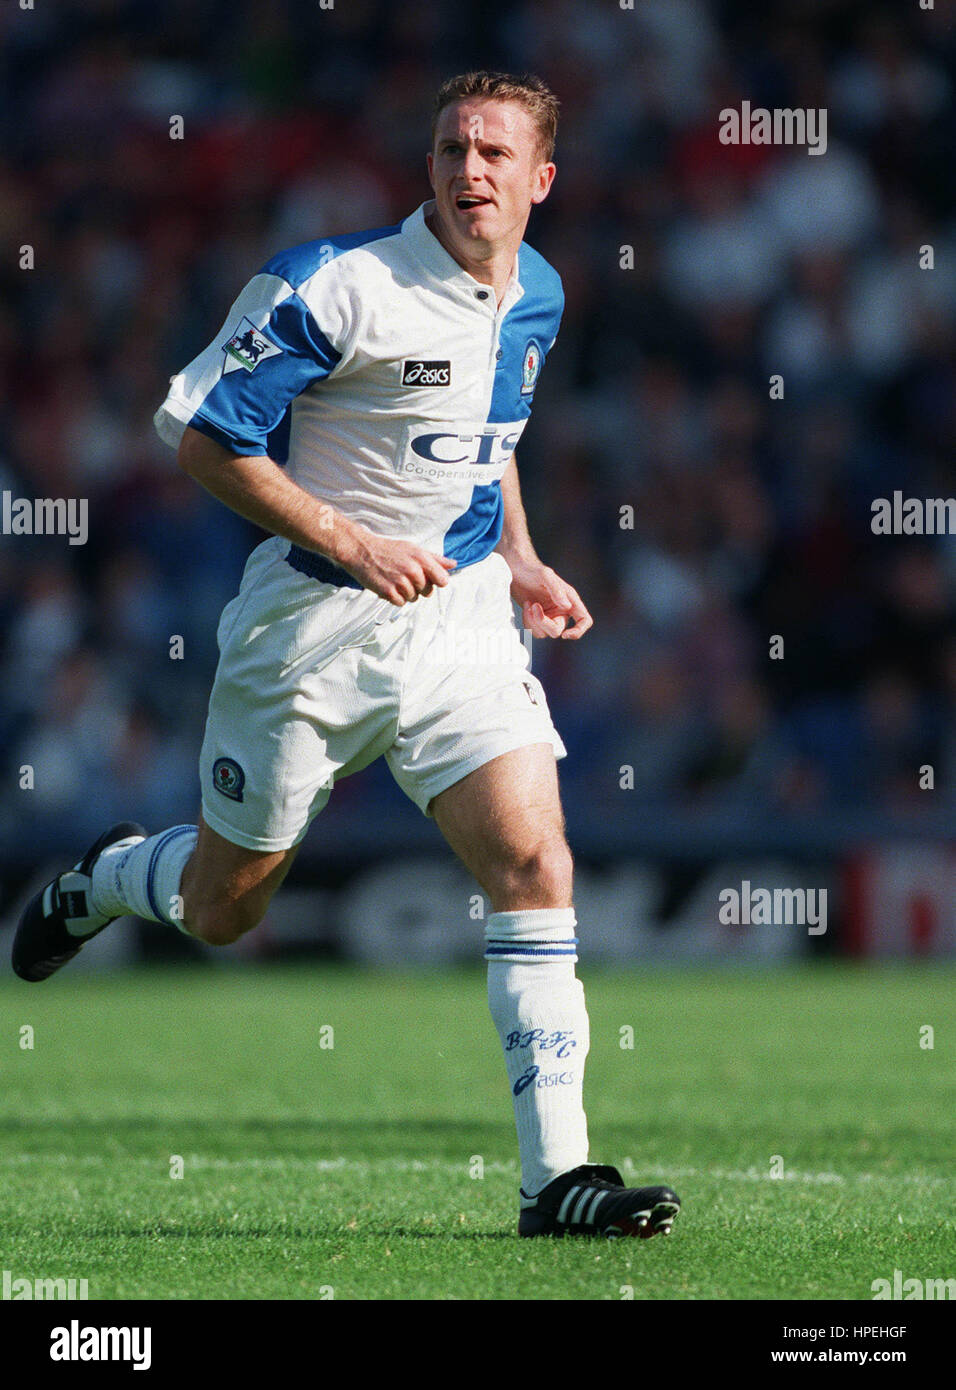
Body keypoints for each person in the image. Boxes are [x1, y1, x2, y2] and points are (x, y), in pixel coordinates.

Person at [13, 71, 680, 1240]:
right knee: (226, 911)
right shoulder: (337, 285)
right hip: (308, 634)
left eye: (491, 153)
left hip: (459, 619)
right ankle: (111, 875)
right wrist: (349, 538)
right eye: (447, 148)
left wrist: (519, 555)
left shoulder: (538, 292)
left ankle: (555, 1181)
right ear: (426, 165)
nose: (467, 169)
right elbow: (205, 438)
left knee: (533, 862)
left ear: (540, 180)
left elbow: (490, 436)